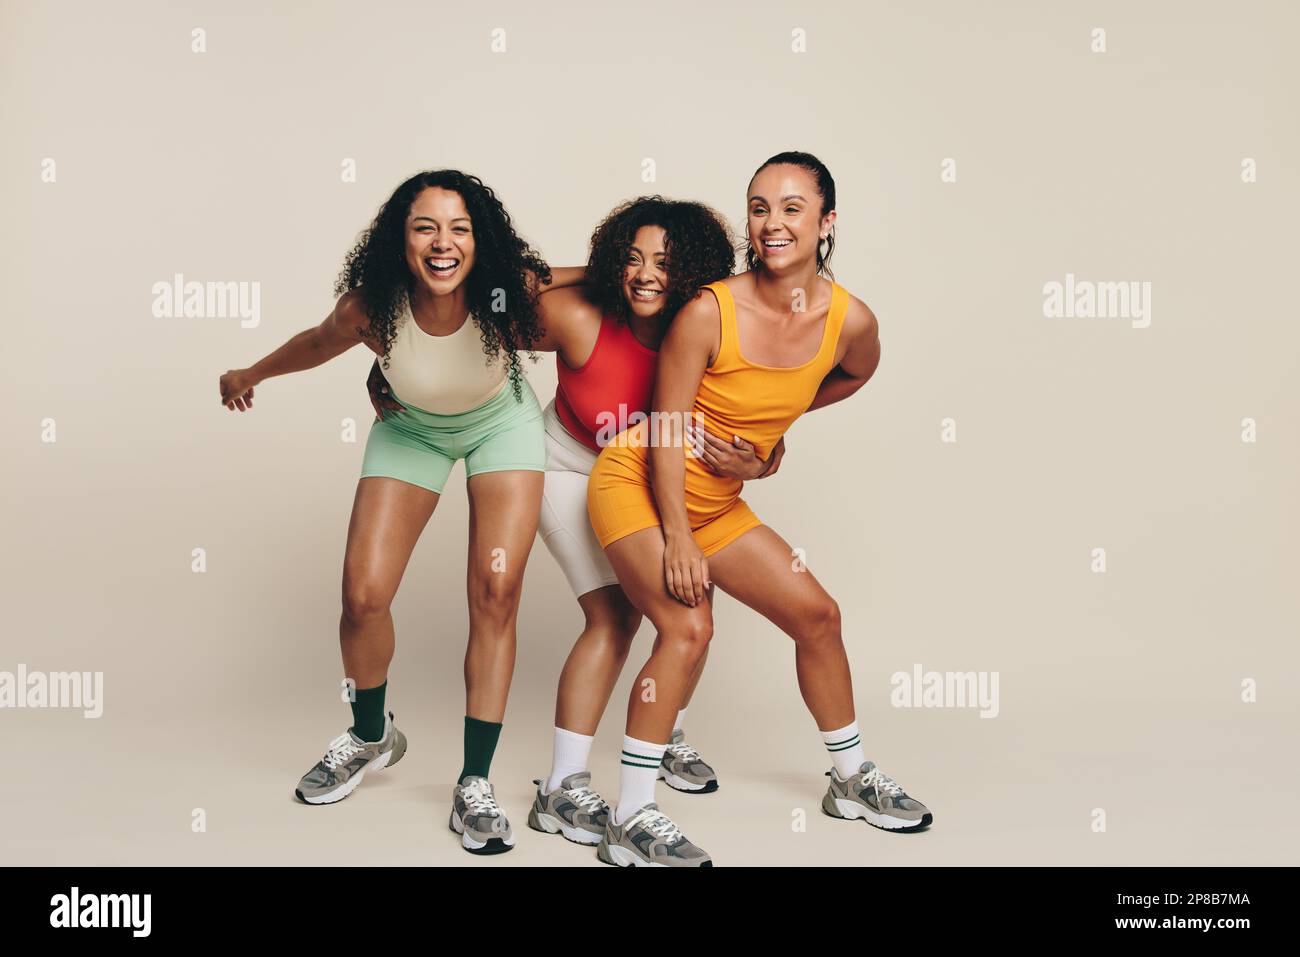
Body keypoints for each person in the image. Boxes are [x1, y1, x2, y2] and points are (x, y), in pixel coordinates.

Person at [585, 152, 933, 866]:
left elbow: (854, 373)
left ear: (827, 221)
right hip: (638, 484)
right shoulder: (710, 309)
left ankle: (850, 778)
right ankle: (631, 815)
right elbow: (668, 427)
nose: (772, 224)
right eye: (759, 208)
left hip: (717, 502)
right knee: (688, 625)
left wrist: (770, 446)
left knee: (819, 615)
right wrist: (678, 538)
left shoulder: (849, 320)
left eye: (792, 208)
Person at [219, 169, 581, 855]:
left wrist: (662, 274)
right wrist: (250, 375)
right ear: (402, 239)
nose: (443, 243)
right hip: (410, 428)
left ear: (483, 242)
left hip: (499, 427)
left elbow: (588, 280)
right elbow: (316, 340)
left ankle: (474, 782)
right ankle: (369, 734)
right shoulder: (373, 306)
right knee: (362, 597)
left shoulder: (505, 289)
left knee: (496, 592)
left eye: (460, 228)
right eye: (425, 228)